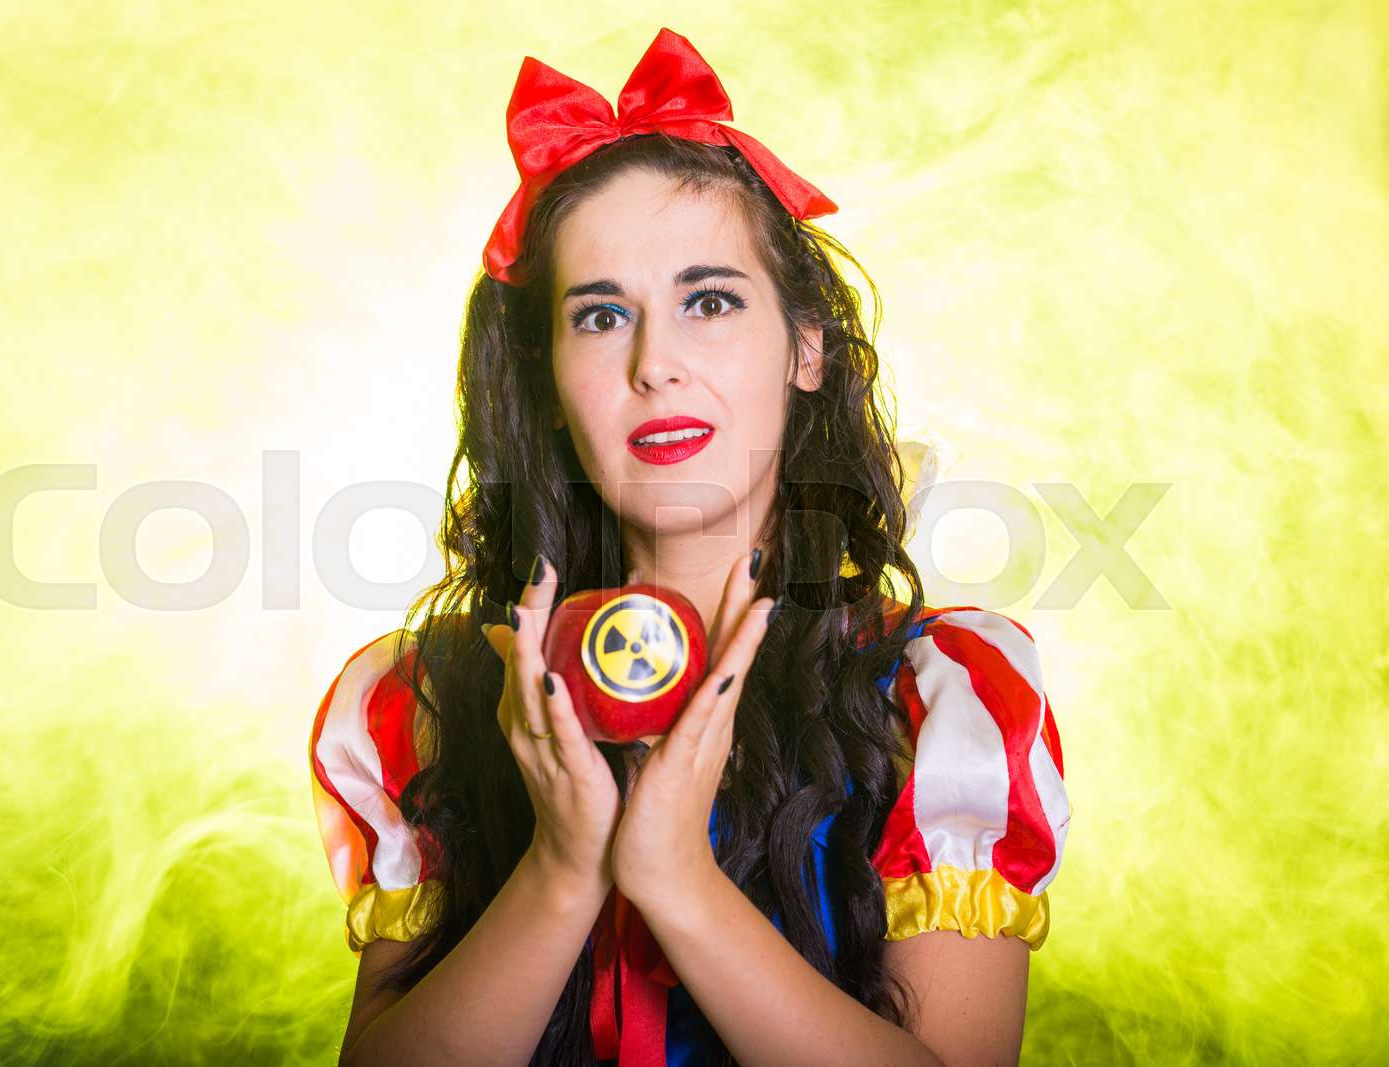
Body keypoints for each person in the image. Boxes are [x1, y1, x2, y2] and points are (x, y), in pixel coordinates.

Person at [308, 27, 1071, 1067]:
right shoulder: (423, 704)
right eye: (598, 314)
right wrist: (561, 869)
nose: (654, 363)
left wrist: (677, 880)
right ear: (545, 374)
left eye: (708, 300)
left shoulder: (936, 698)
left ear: (807, 346)